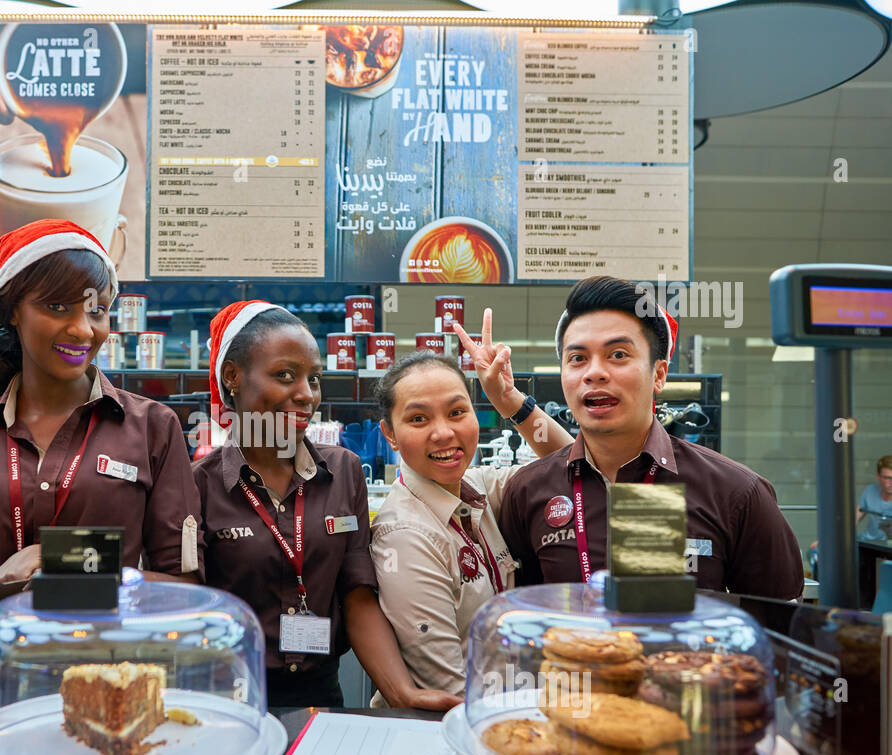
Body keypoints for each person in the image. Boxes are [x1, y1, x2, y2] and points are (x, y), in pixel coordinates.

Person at [193, 301, 456, 709]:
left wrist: (401, 692)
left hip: (321, 692)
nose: (305, 394)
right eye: (285, 375)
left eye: (314, 379)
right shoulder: (200, 485)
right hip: (228, 697)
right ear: (232, 377)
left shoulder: (343, 471)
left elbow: (357, 594)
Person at [0, 219, 202, 584]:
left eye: (97, 310)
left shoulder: (153, 427)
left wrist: (58, 560)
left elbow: (185, 583)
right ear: (13, 313)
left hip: (109, 641)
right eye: (57, 306)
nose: (83, 329)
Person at [496, 275, 804, 599]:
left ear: (659, 374)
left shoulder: (737, 494)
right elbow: (523, 611)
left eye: (618, 355)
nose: (594, 372)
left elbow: (778, 626)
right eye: (578, 358)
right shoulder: (529, 491)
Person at [365, 313, 575, 700]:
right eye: (418, 418)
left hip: (501, 704)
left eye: (457, 412)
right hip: (447, 732)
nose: (444, 432)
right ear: (390, 435)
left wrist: (510, 400)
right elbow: (449, 688)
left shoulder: (477, 488)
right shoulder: (406, 536)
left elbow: (568, 465)